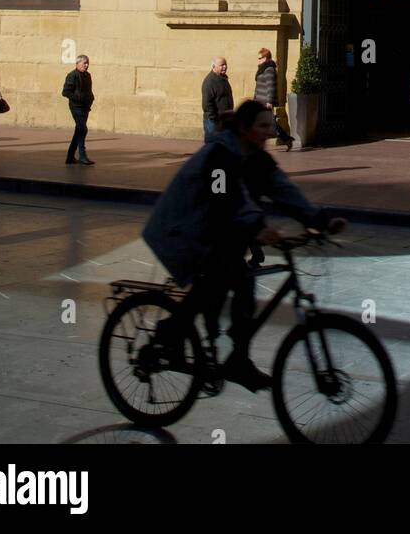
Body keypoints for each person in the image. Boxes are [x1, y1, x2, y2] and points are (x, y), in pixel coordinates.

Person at [143, 99, 344, 392]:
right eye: (263, 126)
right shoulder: (219, 155)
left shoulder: (258, 158)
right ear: (244, 128)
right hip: (183, 229)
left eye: (270, 125)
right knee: (216, 281)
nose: (270, 132)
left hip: (214, 231)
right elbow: (223, 199)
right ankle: (171, 338)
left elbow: (283, 190)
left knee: (240, 282)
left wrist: (319, 220)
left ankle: (236, 357)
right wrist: (257, 228)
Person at [254, 47, 293, 150]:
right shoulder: (262, 68)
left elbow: (271, 86)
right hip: (259, 100)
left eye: (260, 57)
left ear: (266, 58)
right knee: (265, 123)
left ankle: (286, 139)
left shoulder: (269, 69)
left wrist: (269, 101)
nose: (259, 60)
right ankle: (286, 139)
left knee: (270, 124)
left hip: (265, 101)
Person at [62, 54, 95, 165]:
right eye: (84, 63)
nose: (86, 65)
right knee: (83, 129)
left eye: (87, 63)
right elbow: (65, 92)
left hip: (85, 107)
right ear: (77, 63)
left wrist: (91, 98)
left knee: (78, 131)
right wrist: (77, 98)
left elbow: (89, 90)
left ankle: (70, 157)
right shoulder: (72, 75)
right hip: (76, 107)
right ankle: (82, 155)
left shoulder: (87, 75)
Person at [202, 56, 234, 141]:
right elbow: (207, 104)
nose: (225, 67)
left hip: (224, 120)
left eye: (225, 64)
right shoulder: (210, 82)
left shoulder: (223, 79)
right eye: (222, 65)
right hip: (214, 122)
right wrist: (214, 119)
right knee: (213, 147)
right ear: (214, 67)